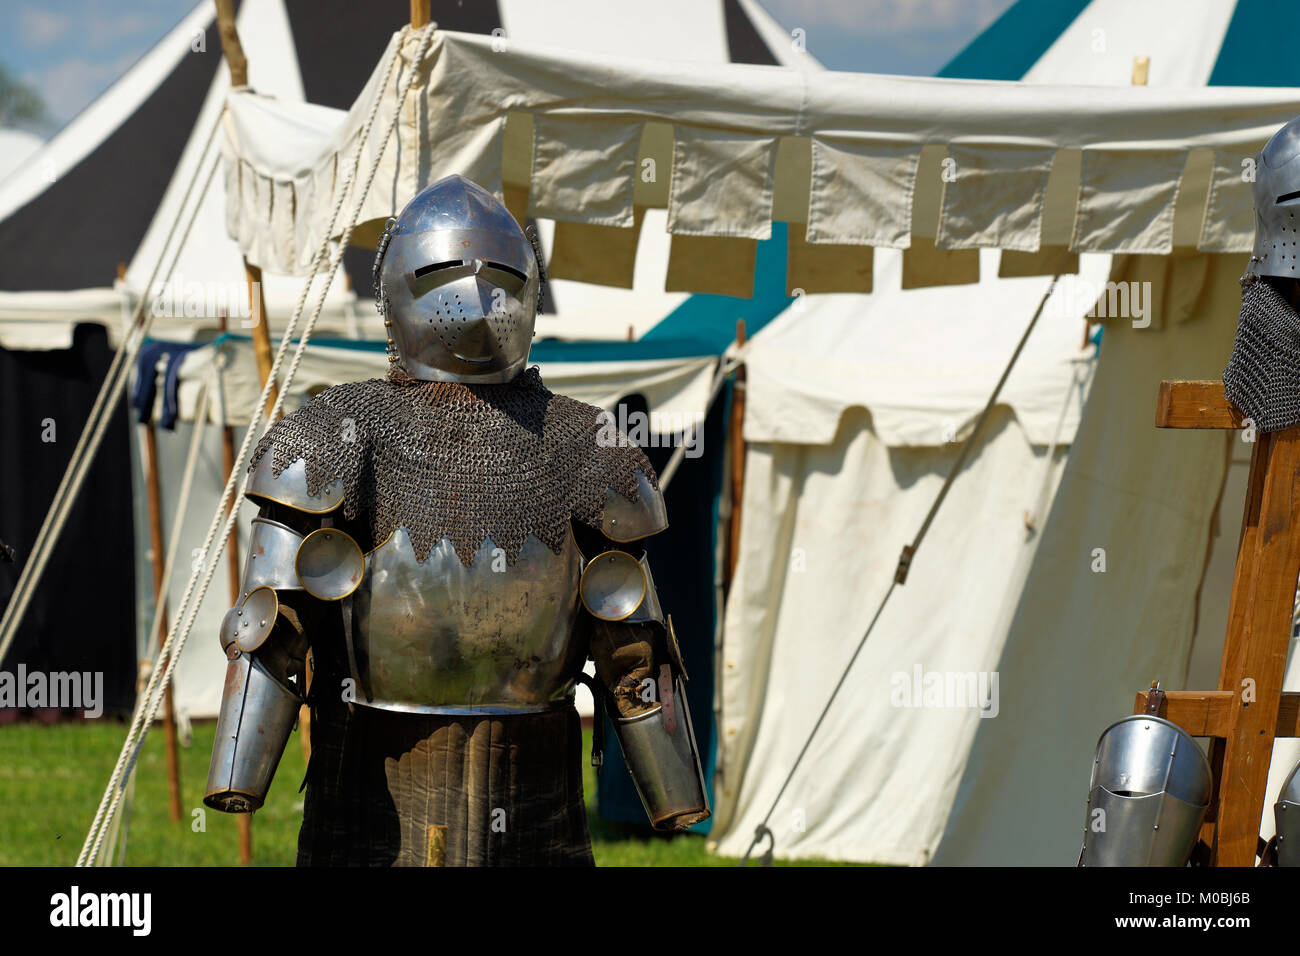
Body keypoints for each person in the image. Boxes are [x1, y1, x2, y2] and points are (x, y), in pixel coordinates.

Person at [204, 174, 709, 866]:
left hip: (537, 794)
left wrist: (670, 786)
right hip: (373, 792)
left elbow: (635, 646)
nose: (473, 298)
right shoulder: (337, 433)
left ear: (529, 294)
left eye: (497, 275)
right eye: (445, 272)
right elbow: (272, 629)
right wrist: (239, 771)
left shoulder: (587, 446)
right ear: (398, 292)